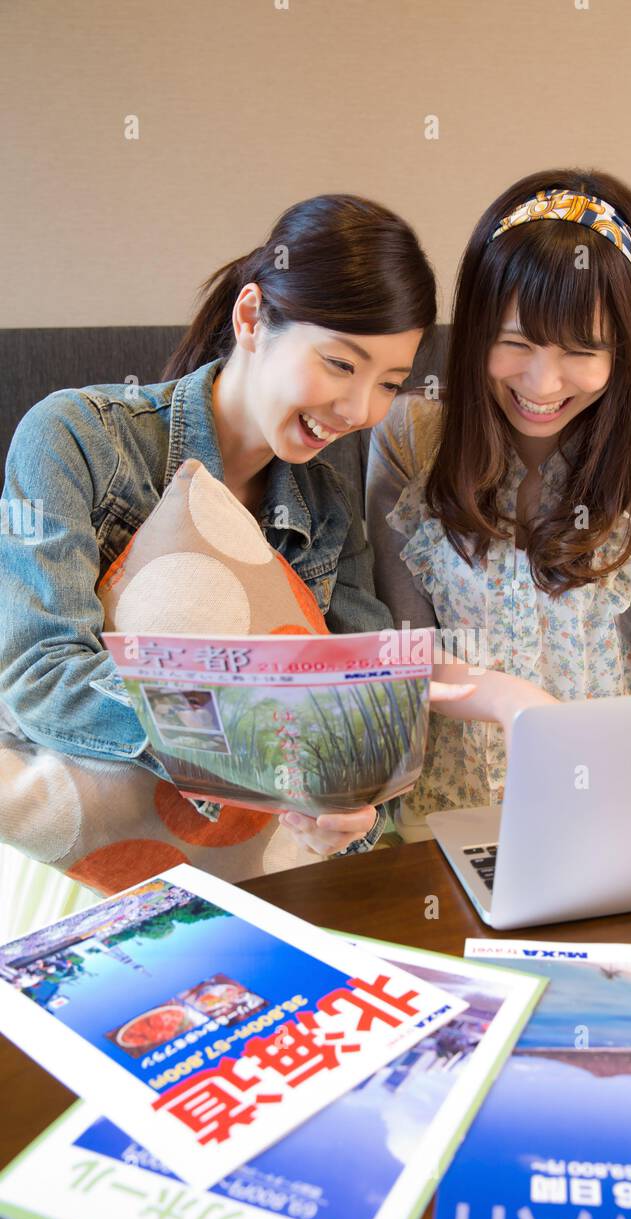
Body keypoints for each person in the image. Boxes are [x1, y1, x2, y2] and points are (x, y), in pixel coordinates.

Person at [0, 194, 464, 863]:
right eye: (339, 364)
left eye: (389, 383)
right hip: (71, 856)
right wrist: (253, 753)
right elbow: (41, 674)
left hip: (249, 871)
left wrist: (351, 808)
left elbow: (365, 706)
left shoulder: (329, 508)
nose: (360, 410)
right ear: (251, 317)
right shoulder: (76, 438)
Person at [366, 169, 631, 840]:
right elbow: (404, 654)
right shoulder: (408, 439)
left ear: (623, 350)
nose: (541, 384)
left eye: (581, 351)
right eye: (513, 344)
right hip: (445, 826)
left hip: (617, 812)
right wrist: (513, 702)